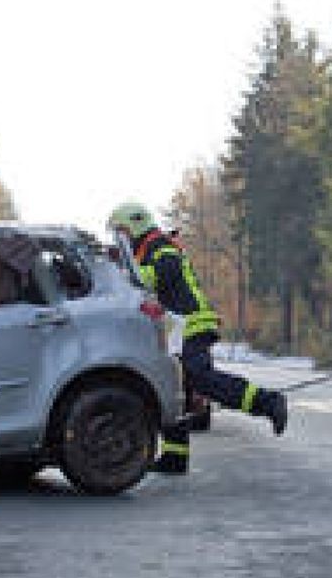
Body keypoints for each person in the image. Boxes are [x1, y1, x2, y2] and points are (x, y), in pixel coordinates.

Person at [107, 202, 288, 474]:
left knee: (200, 379)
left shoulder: (161, 248)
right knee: (175, 387)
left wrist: (116, 271)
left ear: (135, 225)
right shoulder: (147, 251)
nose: (119, 239)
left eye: (121, 232)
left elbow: (151, 278)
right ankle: (175, 455)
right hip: (177, 329)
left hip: (191, 325)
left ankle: (269, 402)